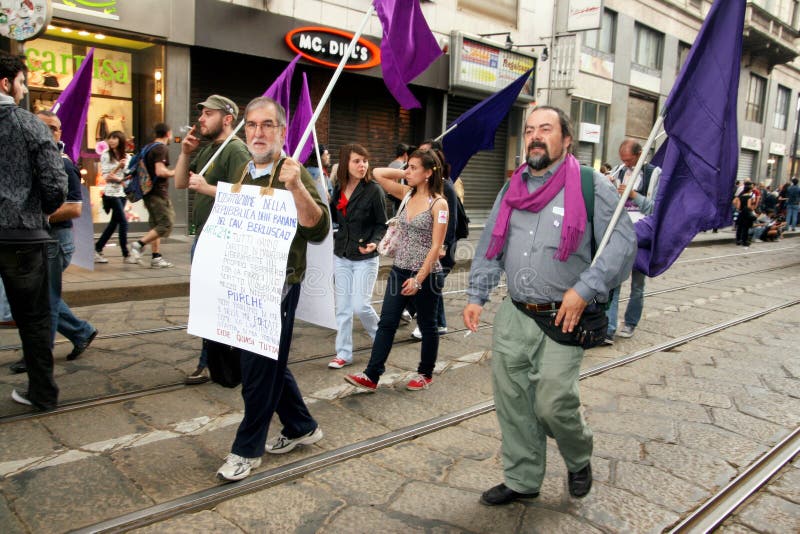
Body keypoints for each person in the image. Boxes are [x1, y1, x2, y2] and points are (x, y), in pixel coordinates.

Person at [462, 106, 636, 505]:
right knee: (513, 403)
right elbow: (492, 243)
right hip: (516, 312)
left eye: (546, 129)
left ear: (566, 139)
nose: (535, 136)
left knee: (554, 404)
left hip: (564, 315)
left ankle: (578, 457)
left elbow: (623, 247)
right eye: (529, 130)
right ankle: (522, 479)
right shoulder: (511, 188)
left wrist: (585, 289)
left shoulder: (592, 186)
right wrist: (476, 294)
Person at [200, 96, 328, 482]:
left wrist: (296, 188)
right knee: (265, 361)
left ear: (282, 132)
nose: (258, 132)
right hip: (241, 281)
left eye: (267, 125)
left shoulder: (293, 172)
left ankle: (247, 448)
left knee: (259, 369)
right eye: (252, 125)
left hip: (278, 287)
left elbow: (317, 229)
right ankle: (302, 426)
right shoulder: (242, 169)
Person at [344, 149, 449, 392]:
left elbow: (436, 246)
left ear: (428, 173)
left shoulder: (439, 203)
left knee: (428, 324)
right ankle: (371, 375)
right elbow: (378, 173)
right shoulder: (406, 194)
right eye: (408, 167)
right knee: (387, 322)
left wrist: (419, 280)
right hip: (400, 270)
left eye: (414, 168)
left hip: (426, 275)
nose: (408, 172)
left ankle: (425, 373)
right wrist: (406, 171)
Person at [0, 51, 67, 410]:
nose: (25, 90)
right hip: (23, 237)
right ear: (5, 83)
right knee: (35, 319)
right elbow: (56, 185)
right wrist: (35, 209)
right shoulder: (29, 125)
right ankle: (42, 392)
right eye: (23, 82)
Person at [175, 94, 251, 386]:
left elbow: (243, 196)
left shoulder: (235, 151)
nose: (201, 119)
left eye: (208, 113)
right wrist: (184, 153)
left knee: (220, 305)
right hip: (204, 238)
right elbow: (182, 183)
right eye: (202, 113)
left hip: (224, 240)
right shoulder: (209, 150)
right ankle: (215, 362)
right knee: (208, 304)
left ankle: (218, 363)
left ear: (227, 118)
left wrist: (206, 188)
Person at [328, 144, 387, 369]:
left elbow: (382, 224)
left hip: (365, 257)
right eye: (356, 161)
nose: (362, 165)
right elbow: (334, 219)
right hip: (342, 254)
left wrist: (375, 241)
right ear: (346, 164)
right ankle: (343, 353)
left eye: (364, 161)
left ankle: (381, 339)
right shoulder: (337, 188)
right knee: (342, 309)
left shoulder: (374, 190)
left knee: (360, 306)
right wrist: (326, 202)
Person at [605, 139, 660, 342]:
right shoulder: (619, 171)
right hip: (621, 231)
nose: (626, 164)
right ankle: (609, 328)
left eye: (629, 160)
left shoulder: (654, 174)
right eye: (623, 160)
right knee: (614, 280)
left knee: (637, 284)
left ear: (639, 155)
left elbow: (654, 208)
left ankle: (630, 322)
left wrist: (634, 194)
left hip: (642, 234)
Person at [409, 140, 457, 340]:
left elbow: (451, 221)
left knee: (431, 285)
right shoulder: (418, 189)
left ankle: (435, 323)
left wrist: (443, 246)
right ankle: (430, 319)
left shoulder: (446, 188)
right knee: (427, 285)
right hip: (421, 248)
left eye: (424, 154)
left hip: (441, 248)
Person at [129, 123, 176, 268]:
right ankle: (138, 244)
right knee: (166, 223)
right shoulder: (161, 148)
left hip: (147, 192)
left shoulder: (148, 147)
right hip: (157, 193)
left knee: (155, 226)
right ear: (168, 133)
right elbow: (160, 171)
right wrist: (176, 173)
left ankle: (156, 257)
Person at [94, 130, 136, 264]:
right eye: (110, 138)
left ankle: (97, 248)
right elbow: (106, 177)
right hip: (111, 194)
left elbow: (127, 175)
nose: (111, 141)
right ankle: (126, 253)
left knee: (114, 223)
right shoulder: (106, 155)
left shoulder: (127, 157)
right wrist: (118, 167)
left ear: (121, 140)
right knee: (123, 222)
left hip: (122, 193)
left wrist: (125, 178)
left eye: (114, 138)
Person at [734, 181, 757, 246]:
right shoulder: (749, 198)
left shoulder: (740, 197)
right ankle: (744, 241)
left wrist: (740, 209)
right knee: (745, 228)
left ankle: (738, 240)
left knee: (739, 227)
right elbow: (749, 207)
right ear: (749, 190)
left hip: (741, 213)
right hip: (746, 214)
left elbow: (738, 207)